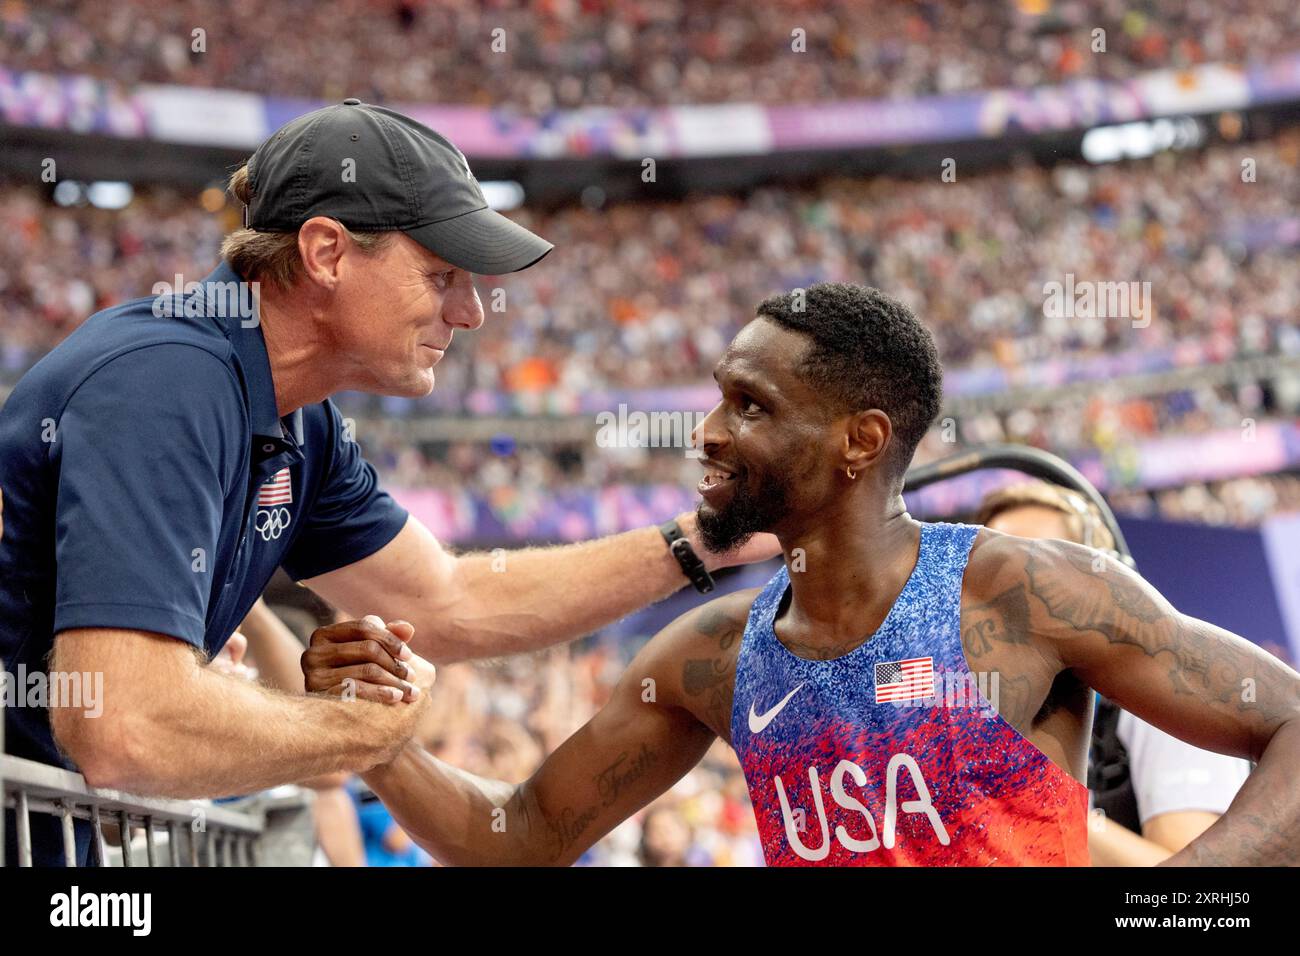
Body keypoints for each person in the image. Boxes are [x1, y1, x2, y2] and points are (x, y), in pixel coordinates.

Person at [0, 100, 772, 866]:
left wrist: (702, 540)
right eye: (440, 274)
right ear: (326, 252)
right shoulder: (167, 382)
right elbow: (129, 726)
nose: (470, 311)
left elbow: (447, 602)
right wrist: (358, 731)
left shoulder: (295, 416)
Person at [307, 283, 1300, 866]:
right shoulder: (714, 652)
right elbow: (519, 834)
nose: (707, 430)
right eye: (716, 399)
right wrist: (381, 745)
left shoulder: (1017, 589)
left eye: (749, 404)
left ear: (859, 440)